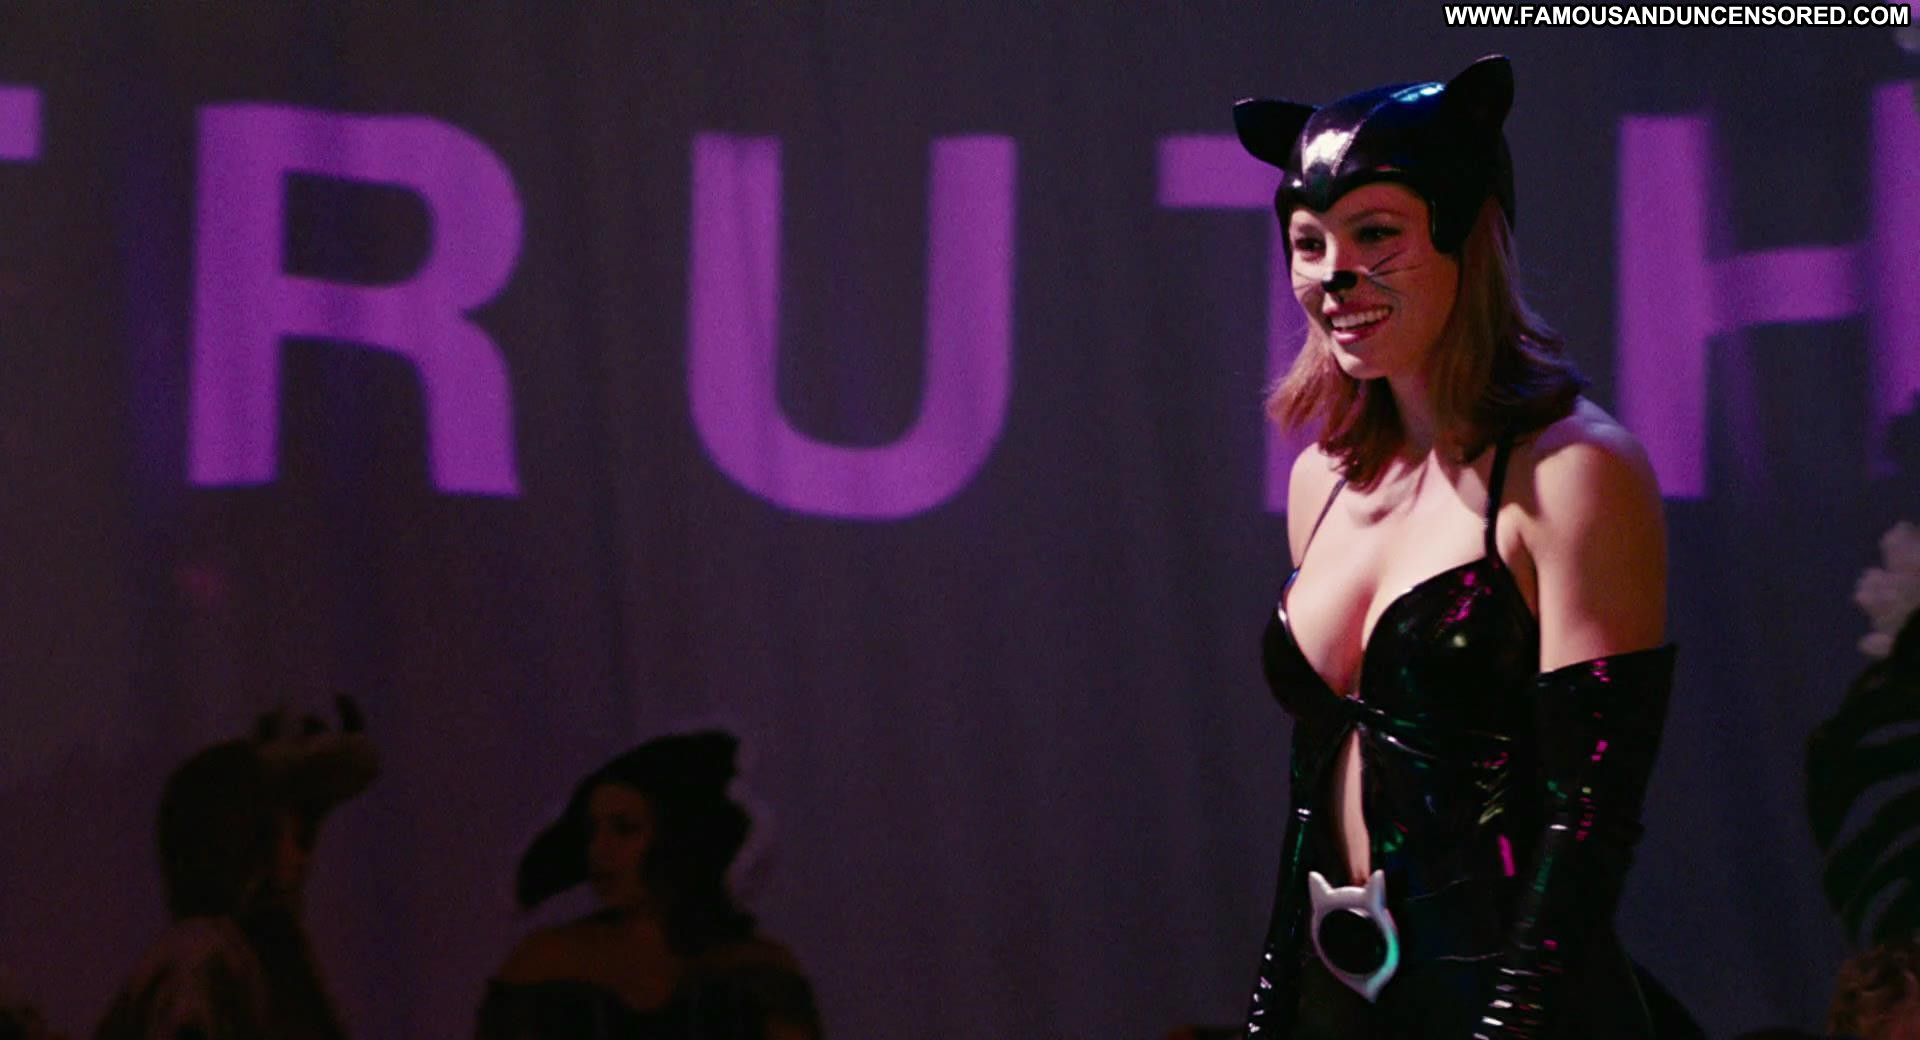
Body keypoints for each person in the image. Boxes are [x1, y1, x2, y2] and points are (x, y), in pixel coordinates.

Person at [1232, 56, 1677, 1037]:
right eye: (1308, 241)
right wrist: (1271, 1008)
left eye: (1376, 233)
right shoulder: (1324, 479)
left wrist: (1509, 1026)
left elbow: (1588, 815)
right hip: (1346, 994)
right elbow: (1312, 789)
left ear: (1467, 234)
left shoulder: (1572, 472)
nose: (1333, 274)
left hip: (1520, 1004)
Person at [478, 730, 820, 1040]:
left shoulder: (755, 969)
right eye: (592, 831)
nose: (600, 850)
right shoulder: (545, 963)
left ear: (676, 838)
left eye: (625, 829)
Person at [94, 700, 378, 1040]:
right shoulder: (201, 958)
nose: (303, 858)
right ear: (246, 835)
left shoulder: (270, 967)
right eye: (292, 833)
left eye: (308, 834)